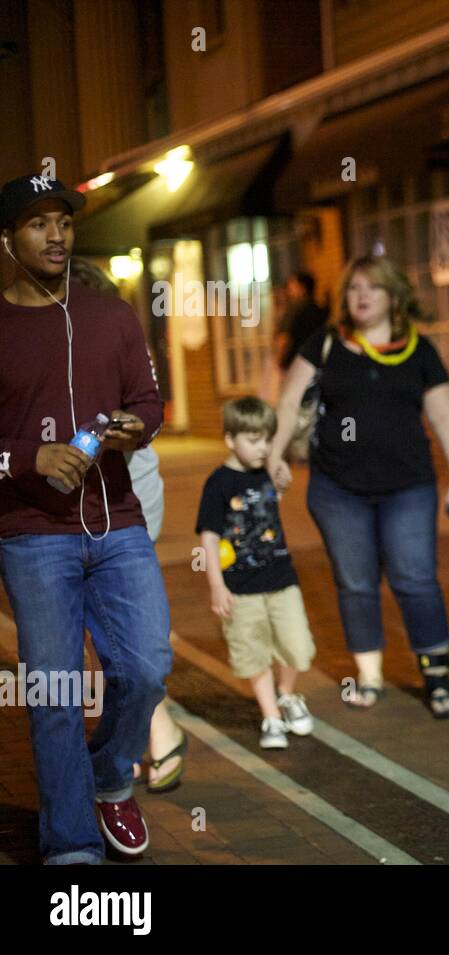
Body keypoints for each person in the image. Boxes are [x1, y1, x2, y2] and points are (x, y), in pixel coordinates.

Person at [0, 173, 171, 862]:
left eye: (63, 221)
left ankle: (109, 774)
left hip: (117, 520)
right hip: (32, 536)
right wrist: (28, 458)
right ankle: (71, 842)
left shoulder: (111, 314)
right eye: (38, 222)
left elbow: (150, 403)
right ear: (7, 239)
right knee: (55, 692)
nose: (56, 234)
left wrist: (136, 427)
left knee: (147, 667)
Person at [268, 255, 449, 716]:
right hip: (338, 488)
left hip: (409, 486)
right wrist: (275, 455)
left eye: (372, 288)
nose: (361, 296)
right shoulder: (325, 344)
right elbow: (287, 404)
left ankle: (437, 676)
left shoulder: (419, 350)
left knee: (416, 579)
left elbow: (444, 415)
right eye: (354, 287)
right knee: (356, 582)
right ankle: (370, 676)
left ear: (394, 297)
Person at [68, 257, 188, 794]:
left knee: (118, 632)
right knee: (103, 633)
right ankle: (141, 735)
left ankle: (148, 731)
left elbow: (144, 416)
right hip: (77, 510)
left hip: (124, 503)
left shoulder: (113, 340)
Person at [198, 397, 317, 748]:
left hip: (281, 579)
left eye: (267, 439)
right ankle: (271, 717)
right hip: (239, 587)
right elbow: (207, 538)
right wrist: (216, 587)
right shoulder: (217, 483)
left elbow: (276, 495)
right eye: (254, 440)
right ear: (230, 439)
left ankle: (287, 695)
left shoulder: (269, 471)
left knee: (298, 646)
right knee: (252, 652)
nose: (263, 447)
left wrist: (282, 479)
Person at [277, 271, 329, 373]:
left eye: (293, 284)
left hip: (295, 362)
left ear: (302, 287)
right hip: (317, 361)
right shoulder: (319, 308)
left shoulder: (295, 308)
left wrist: (279, 360)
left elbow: (284, 337)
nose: (289, 288)